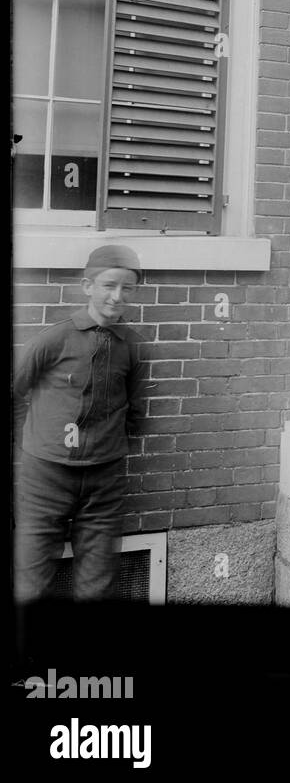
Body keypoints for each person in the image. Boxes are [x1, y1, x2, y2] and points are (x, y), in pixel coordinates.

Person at [13, 245, 147, 601]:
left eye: (127, 288)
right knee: (30, 582)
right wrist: (35, 440)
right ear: (88, 286)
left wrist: (110, 445)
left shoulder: (131, 345)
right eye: (108, 285)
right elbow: (15, 392)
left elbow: (135, 407)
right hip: (46, 478)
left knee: (97, 584)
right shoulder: (53, 339)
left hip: (104, 479)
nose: (117, 297)